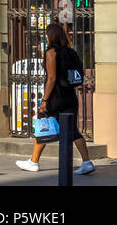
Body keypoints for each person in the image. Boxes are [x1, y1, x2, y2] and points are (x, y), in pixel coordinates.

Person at [16, 22, 95, 174]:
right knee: (72, 130)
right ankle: (87, 162)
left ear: (51, 36)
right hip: (70, 96)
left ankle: (33, 162)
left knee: (44, 126)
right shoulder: (71, 52)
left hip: (56, 97)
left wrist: (44, 100)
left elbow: (51, 78)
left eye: (46, 35)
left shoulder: (52, 52)